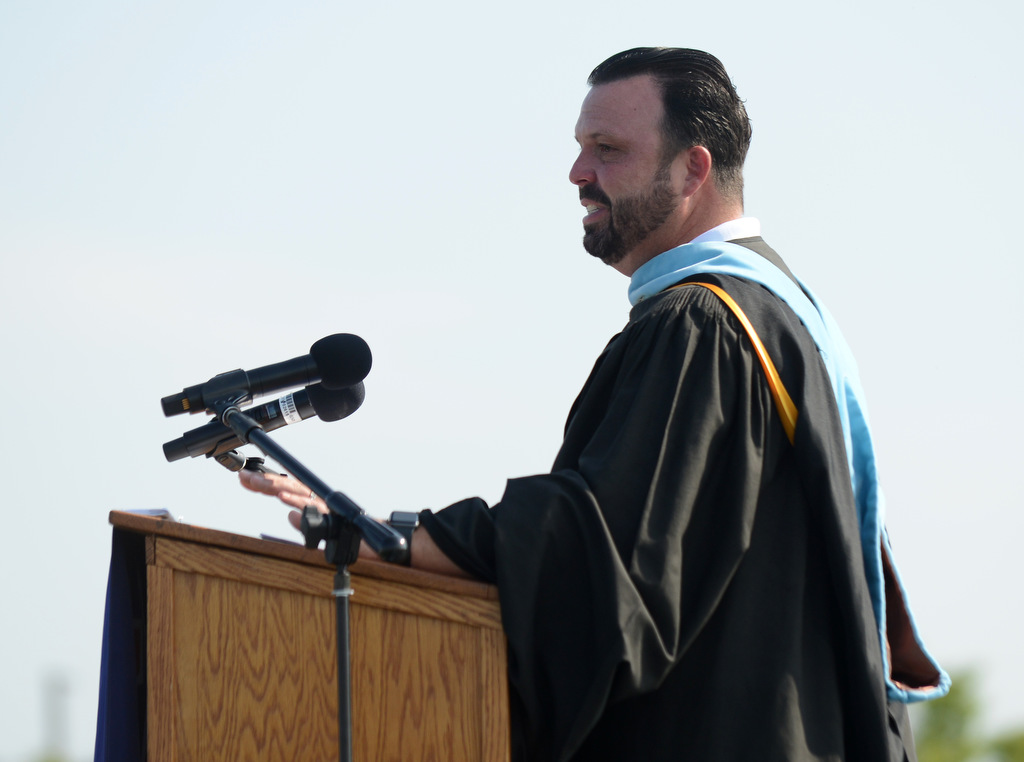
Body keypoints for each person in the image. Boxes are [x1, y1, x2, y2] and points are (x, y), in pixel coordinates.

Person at [240, 47, 949, 761]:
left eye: (607, 149)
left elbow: (607, 546)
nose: (578, 173)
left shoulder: (702, 324)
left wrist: (402, 541)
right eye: (581, 148)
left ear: (692, 169)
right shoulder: (777, 317)